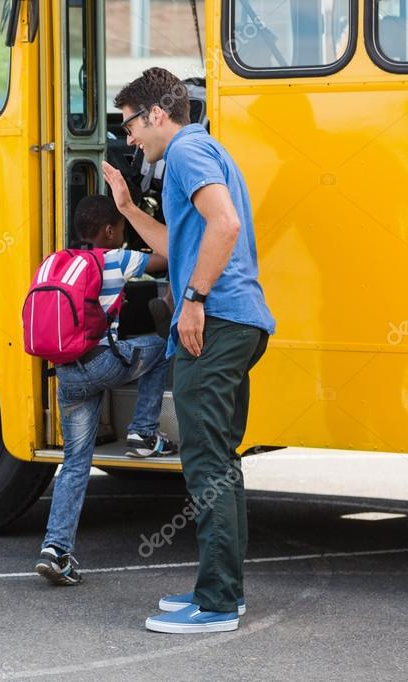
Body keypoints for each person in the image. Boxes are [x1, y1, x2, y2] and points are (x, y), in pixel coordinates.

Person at [102, 67, 274, 633]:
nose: (128, 139)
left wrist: (195, 298)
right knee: (220, 462)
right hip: (239, 321)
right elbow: (180, 242)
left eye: (129, 125)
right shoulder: (202, 151)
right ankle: (221, 590)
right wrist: (127, 208)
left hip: (218, 321)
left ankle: (219, 604)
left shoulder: (184, 153)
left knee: (205, 462)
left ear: (156, 114)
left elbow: (223, 224)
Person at [35, 196, 178, 587]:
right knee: (160, 346)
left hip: (67, 373)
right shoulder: (115, 258)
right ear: (111, 231)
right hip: (102, 364)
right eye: (120, 229)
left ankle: (55, 550)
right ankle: (144, 433)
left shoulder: (55, 260)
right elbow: (168, 255)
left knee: (75, 464)